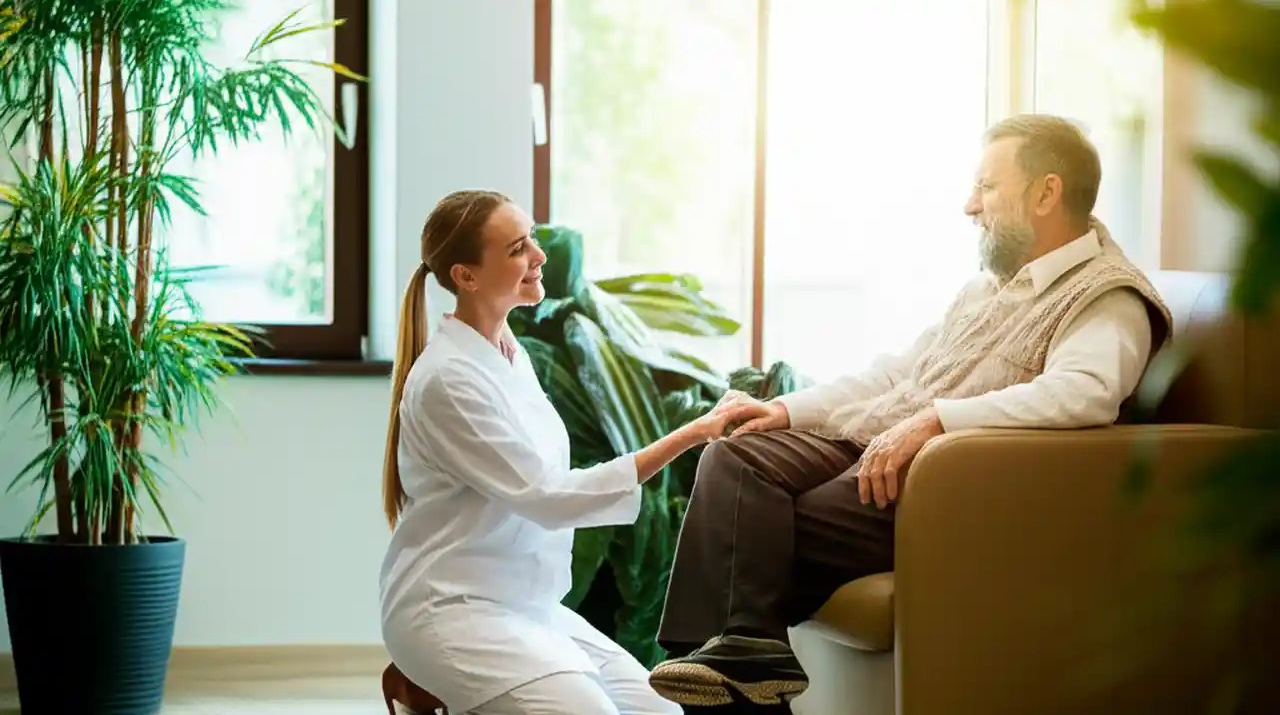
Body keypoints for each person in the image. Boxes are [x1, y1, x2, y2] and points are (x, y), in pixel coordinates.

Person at [646, 114, 1176, 708]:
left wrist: (937, 420)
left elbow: (1085, 393)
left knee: (759, 529)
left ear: (1046, 192)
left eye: (987, 187)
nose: (969, 206)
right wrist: (787, 410)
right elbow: (900, 372)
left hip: (937, 483)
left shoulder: (1109, 296)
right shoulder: (988, 286)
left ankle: (718, 669)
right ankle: (746, 651)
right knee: (734, 456)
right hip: (874, 444)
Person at [378, 189, 727, 715]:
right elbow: (546, 495)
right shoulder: (447, 380)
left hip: (527, 605)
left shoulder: (510, 355)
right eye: (518, 247)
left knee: (660, 711)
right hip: (453, 609)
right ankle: (433, 687)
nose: (539, 257)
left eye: (533, 239)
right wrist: (692, 434)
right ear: (465, 276)